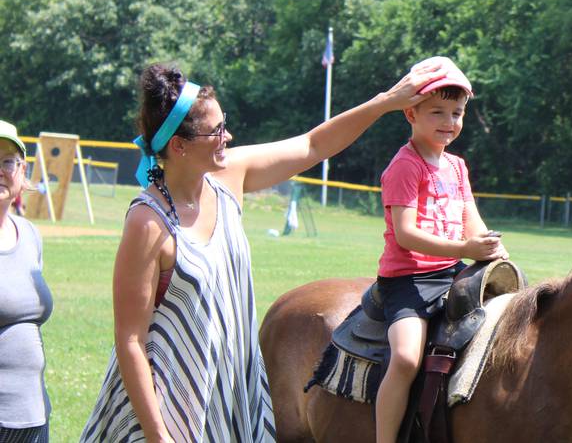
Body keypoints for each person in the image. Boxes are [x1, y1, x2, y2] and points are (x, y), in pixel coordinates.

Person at [81, 60, 448, 443]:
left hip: (229, 394)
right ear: (179, 145)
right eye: (216, 130)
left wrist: (386, 102)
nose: (228, 136)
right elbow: (130, 341)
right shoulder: (147, 222)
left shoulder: (227, 177)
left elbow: (314, 144)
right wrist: (158, 435)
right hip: (162, 406)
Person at [374, 56, 508, 443]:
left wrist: (490, 247)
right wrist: (464, 246)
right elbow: (405, 234)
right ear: (410, 113)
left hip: (453, 271)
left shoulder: (456, 166)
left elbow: (472, 220)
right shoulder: (405, 165)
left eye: (457, 112)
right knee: (405, 359)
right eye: (437, 112)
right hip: (408, 280)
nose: (449, 122)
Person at [0, 120, 53, 443]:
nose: (0, 170)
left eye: (7, 161)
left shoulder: (30, 235)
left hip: (33, 414)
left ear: (22, 169)